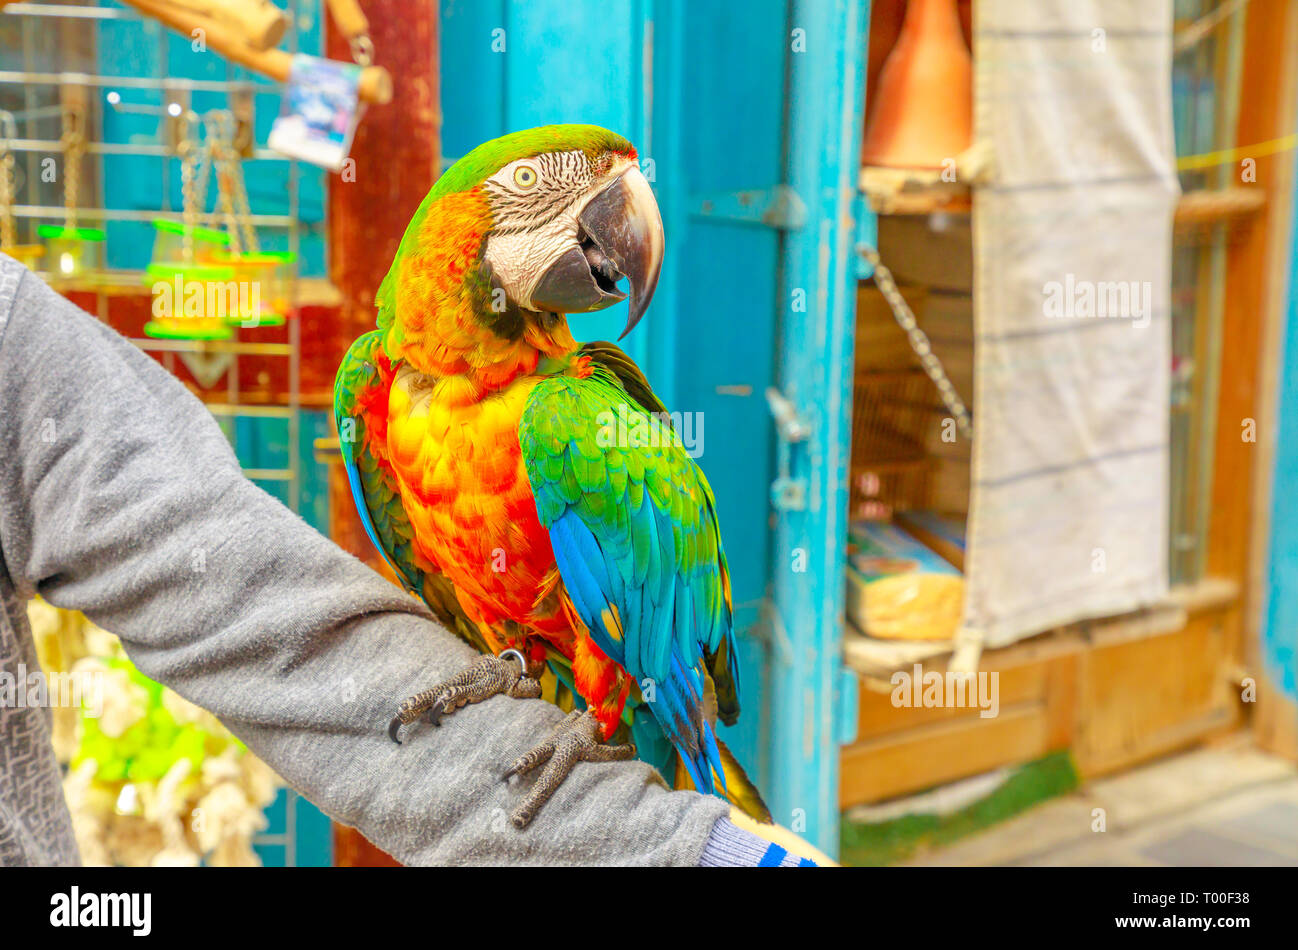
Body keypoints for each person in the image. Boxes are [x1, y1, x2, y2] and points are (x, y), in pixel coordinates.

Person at [0, 254, 829, 867]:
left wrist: (708, 850)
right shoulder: (377, 392)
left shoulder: (572, 410)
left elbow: (252, 610)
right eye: (534, 186)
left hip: (624, 691)